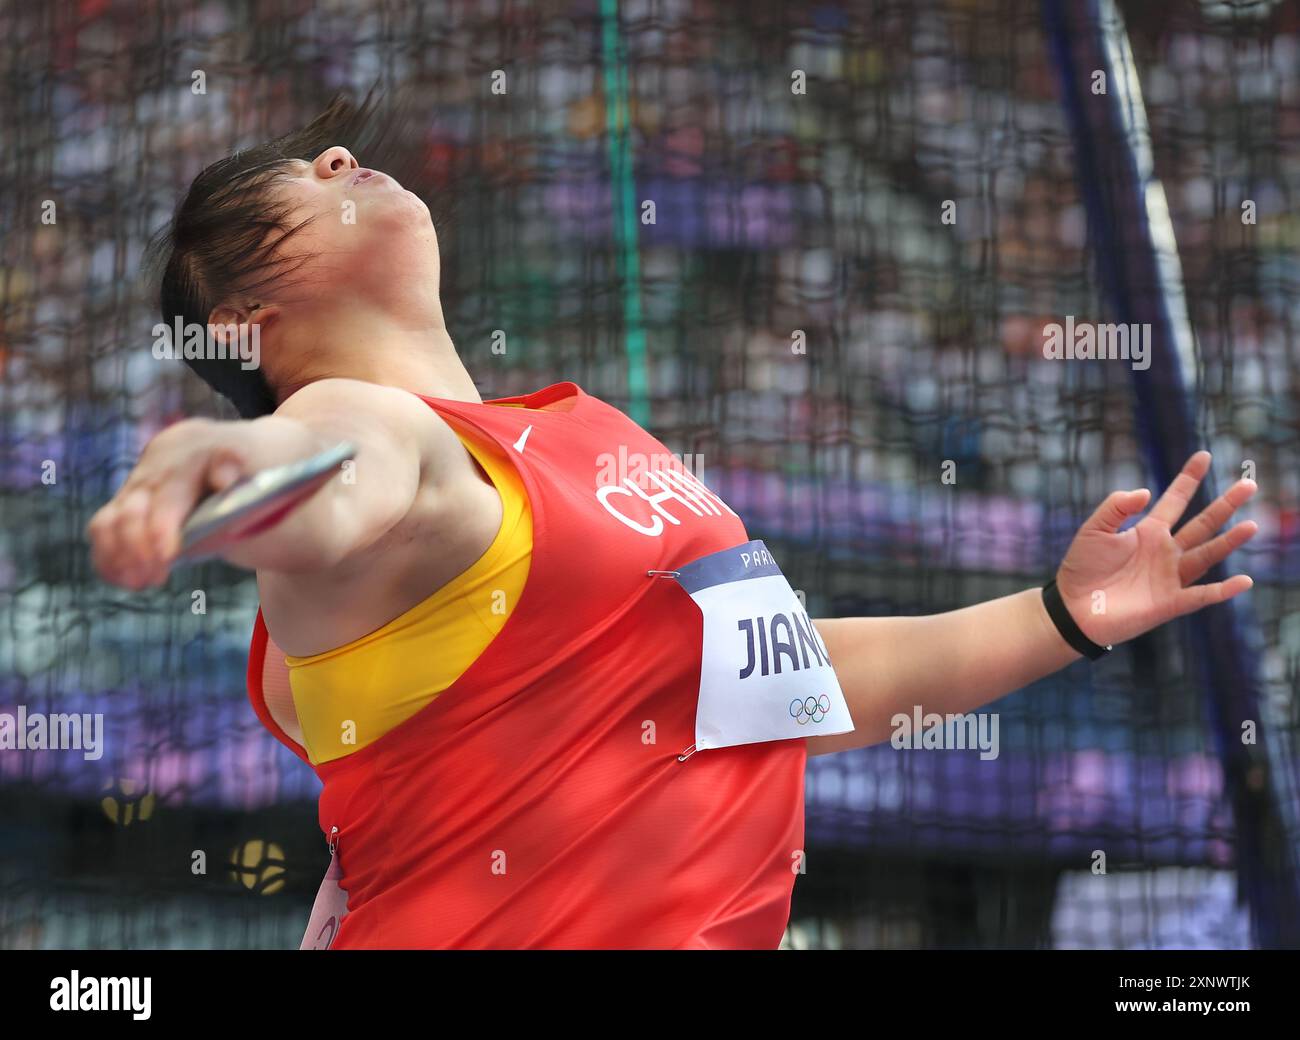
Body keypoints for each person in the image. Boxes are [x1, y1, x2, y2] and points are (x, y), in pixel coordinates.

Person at [88, 97, 1258, 948]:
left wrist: (1064, 614)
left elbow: (795, 683)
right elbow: (315, 467)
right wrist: (197, 464)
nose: (342, 153)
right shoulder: (366, 423)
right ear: (246, 322)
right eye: (291, 180)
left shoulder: (588, 434)